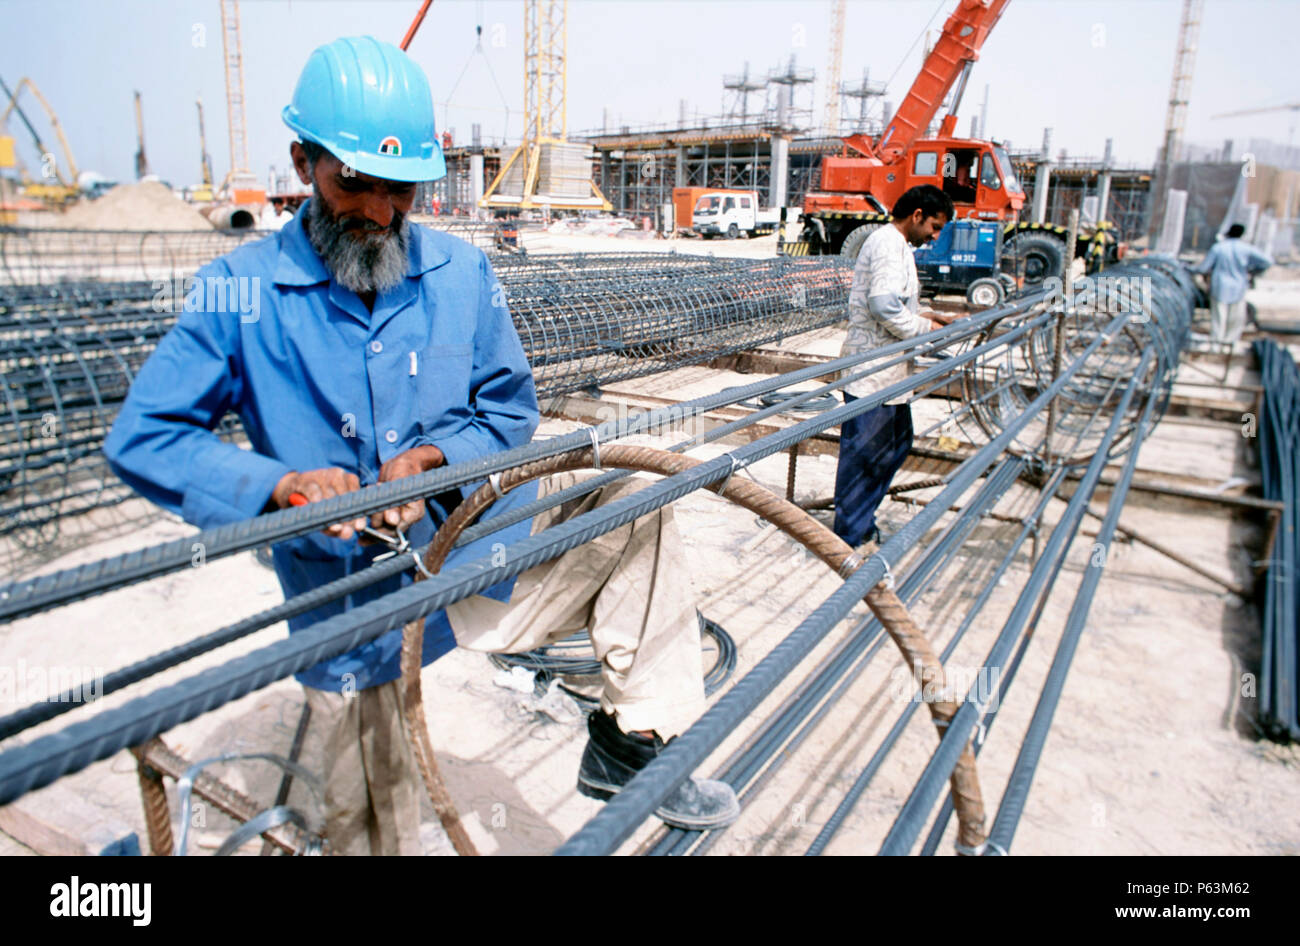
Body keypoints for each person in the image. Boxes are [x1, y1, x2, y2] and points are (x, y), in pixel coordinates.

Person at [104, 35, 737, 855]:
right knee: (366, 824)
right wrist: (278, 485)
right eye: (351, 184)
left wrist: (432, 458)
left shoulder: (460, 273)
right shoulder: (242, 291)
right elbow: (147, 437)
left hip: (469, 549)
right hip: (351, 600)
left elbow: (507, 411)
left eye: (397, 190)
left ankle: (631, 741)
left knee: (631, 499)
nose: (375, 213)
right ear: (304, 164)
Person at [833, 184, 962, 547]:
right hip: (872, 370)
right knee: (865, 454)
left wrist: (929, 314)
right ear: (917, 215)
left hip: (889, 370)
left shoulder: (898, 246)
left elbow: (899, 303)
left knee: (896, 443)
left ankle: (859, 520)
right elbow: (884, 306)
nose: (935, 236)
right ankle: (849, 536)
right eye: (934, 227)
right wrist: (926, 329)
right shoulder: (888, 245)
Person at [1195, 223, 1272, 345]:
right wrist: (1253, 271)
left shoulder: (1218, 248)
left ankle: (1216, 344)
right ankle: (1230, 344)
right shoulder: (1246, 248)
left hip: (1220, 286)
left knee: (1218, 318)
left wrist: (1190, 269)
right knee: (1235, 319)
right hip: (1238, 287)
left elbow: (1203, 268)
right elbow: (1267, 261)